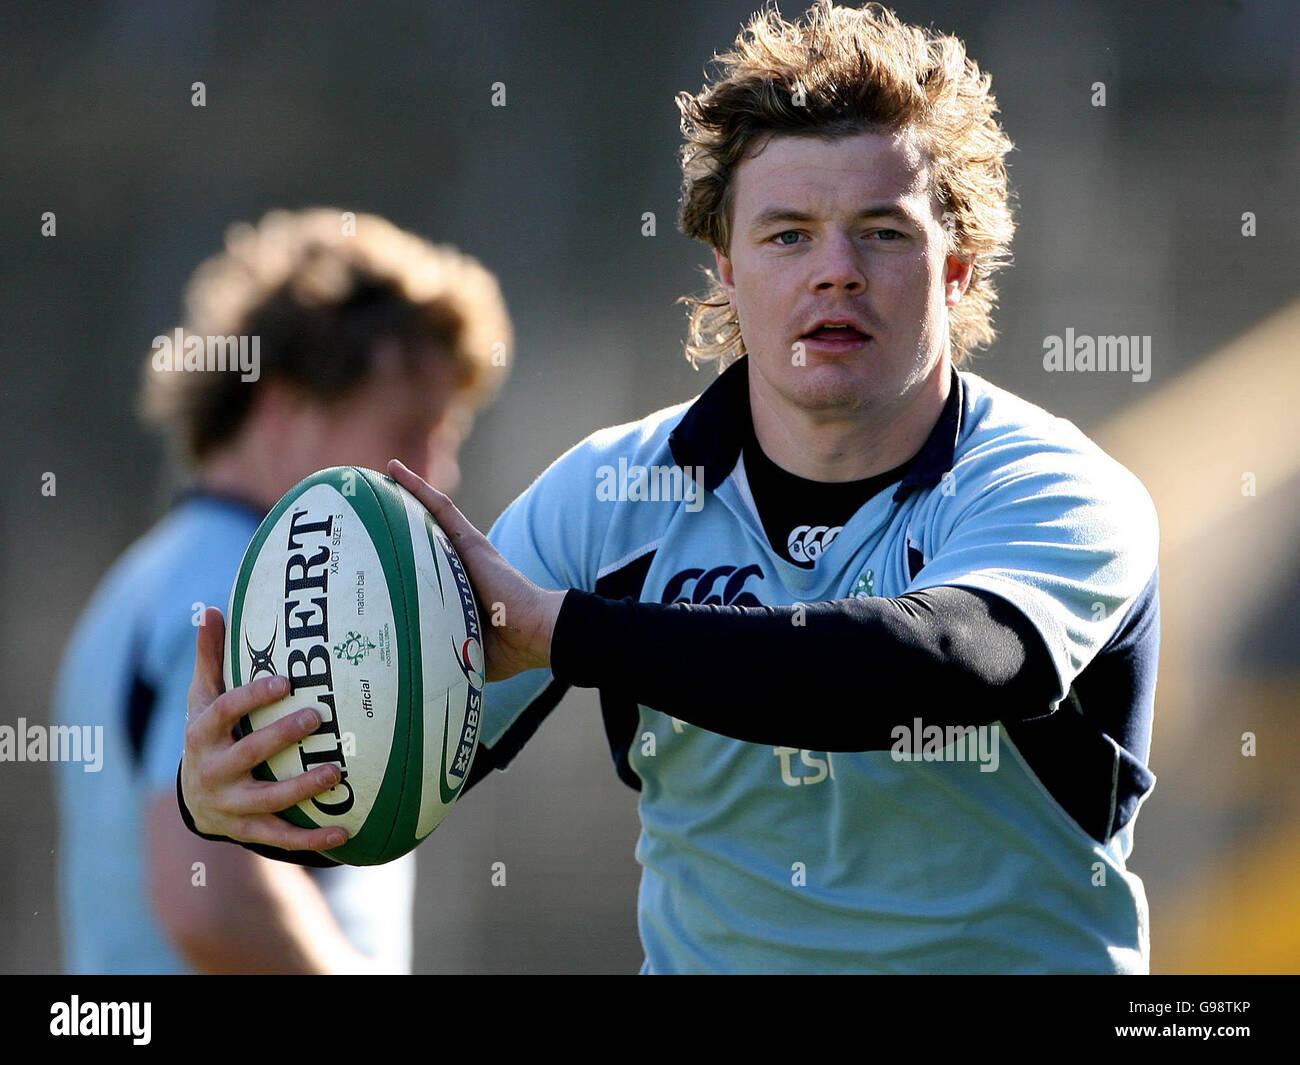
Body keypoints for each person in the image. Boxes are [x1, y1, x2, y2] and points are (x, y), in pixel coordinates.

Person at [177, 2, 1159, 974]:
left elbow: (944, 665)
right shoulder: (610, 497)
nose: (836, 273)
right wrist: (242, 798)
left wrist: (576, 631)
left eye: (882, 233)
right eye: (787, 235)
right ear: (725, 270)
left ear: (955, 269)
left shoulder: (1054, 486)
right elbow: (399, 758)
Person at [54, 208, 510, 973]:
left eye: (449, 435)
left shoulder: (147, 576)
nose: (441, 471)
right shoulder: (238, 585)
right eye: (411, 429)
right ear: (285, 410)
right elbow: (206, 896)